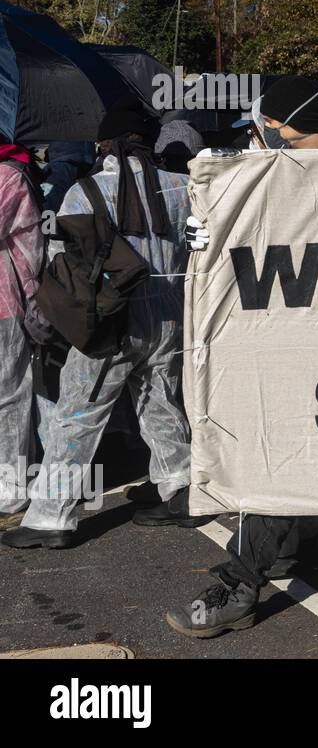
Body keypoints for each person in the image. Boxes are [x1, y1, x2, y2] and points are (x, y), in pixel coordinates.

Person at [166, 78, 318, 638]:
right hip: (306, 335)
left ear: (289, 121)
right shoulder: (286, 171)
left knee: (307, 451)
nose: (266, 135)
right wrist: (214, 228)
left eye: (271, 124)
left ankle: (243, 580)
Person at [3, 105, 199, 549]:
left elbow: (67, 262)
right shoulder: (183, 187)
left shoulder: (84, 191)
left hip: (112, 324)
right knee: (160, 401)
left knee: (79, 412)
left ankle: (51, 517)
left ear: (103, 145)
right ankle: (182, 488)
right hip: (169, 318)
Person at [0, 135, 43, 527]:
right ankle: (10, 490)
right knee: (10, 397)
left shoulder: (8, 178)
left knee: (9, 396)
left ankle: (11, 490)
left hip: (4, 306)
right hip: (7, 304)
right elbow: (30, 250)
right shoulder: (12, 176)